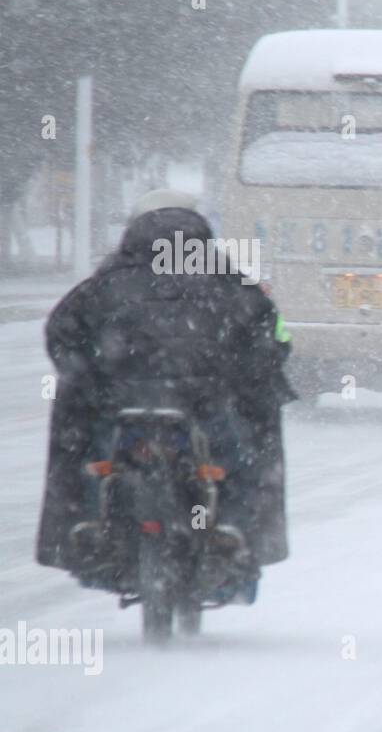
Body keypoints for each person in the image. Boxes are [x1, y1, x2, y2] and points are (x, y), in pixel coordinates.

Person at [36, 190, 295, 599]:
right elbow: (272, 339)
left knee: (87, 452)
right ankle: (235, 526)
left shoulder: (106, 281)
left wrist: (87, 378)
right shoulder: (229, 281)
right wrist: (249, 378)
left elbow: (62, 333)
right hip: (205, 401)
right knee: (240, 455)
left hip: (118, 402)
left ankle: (85, 523)